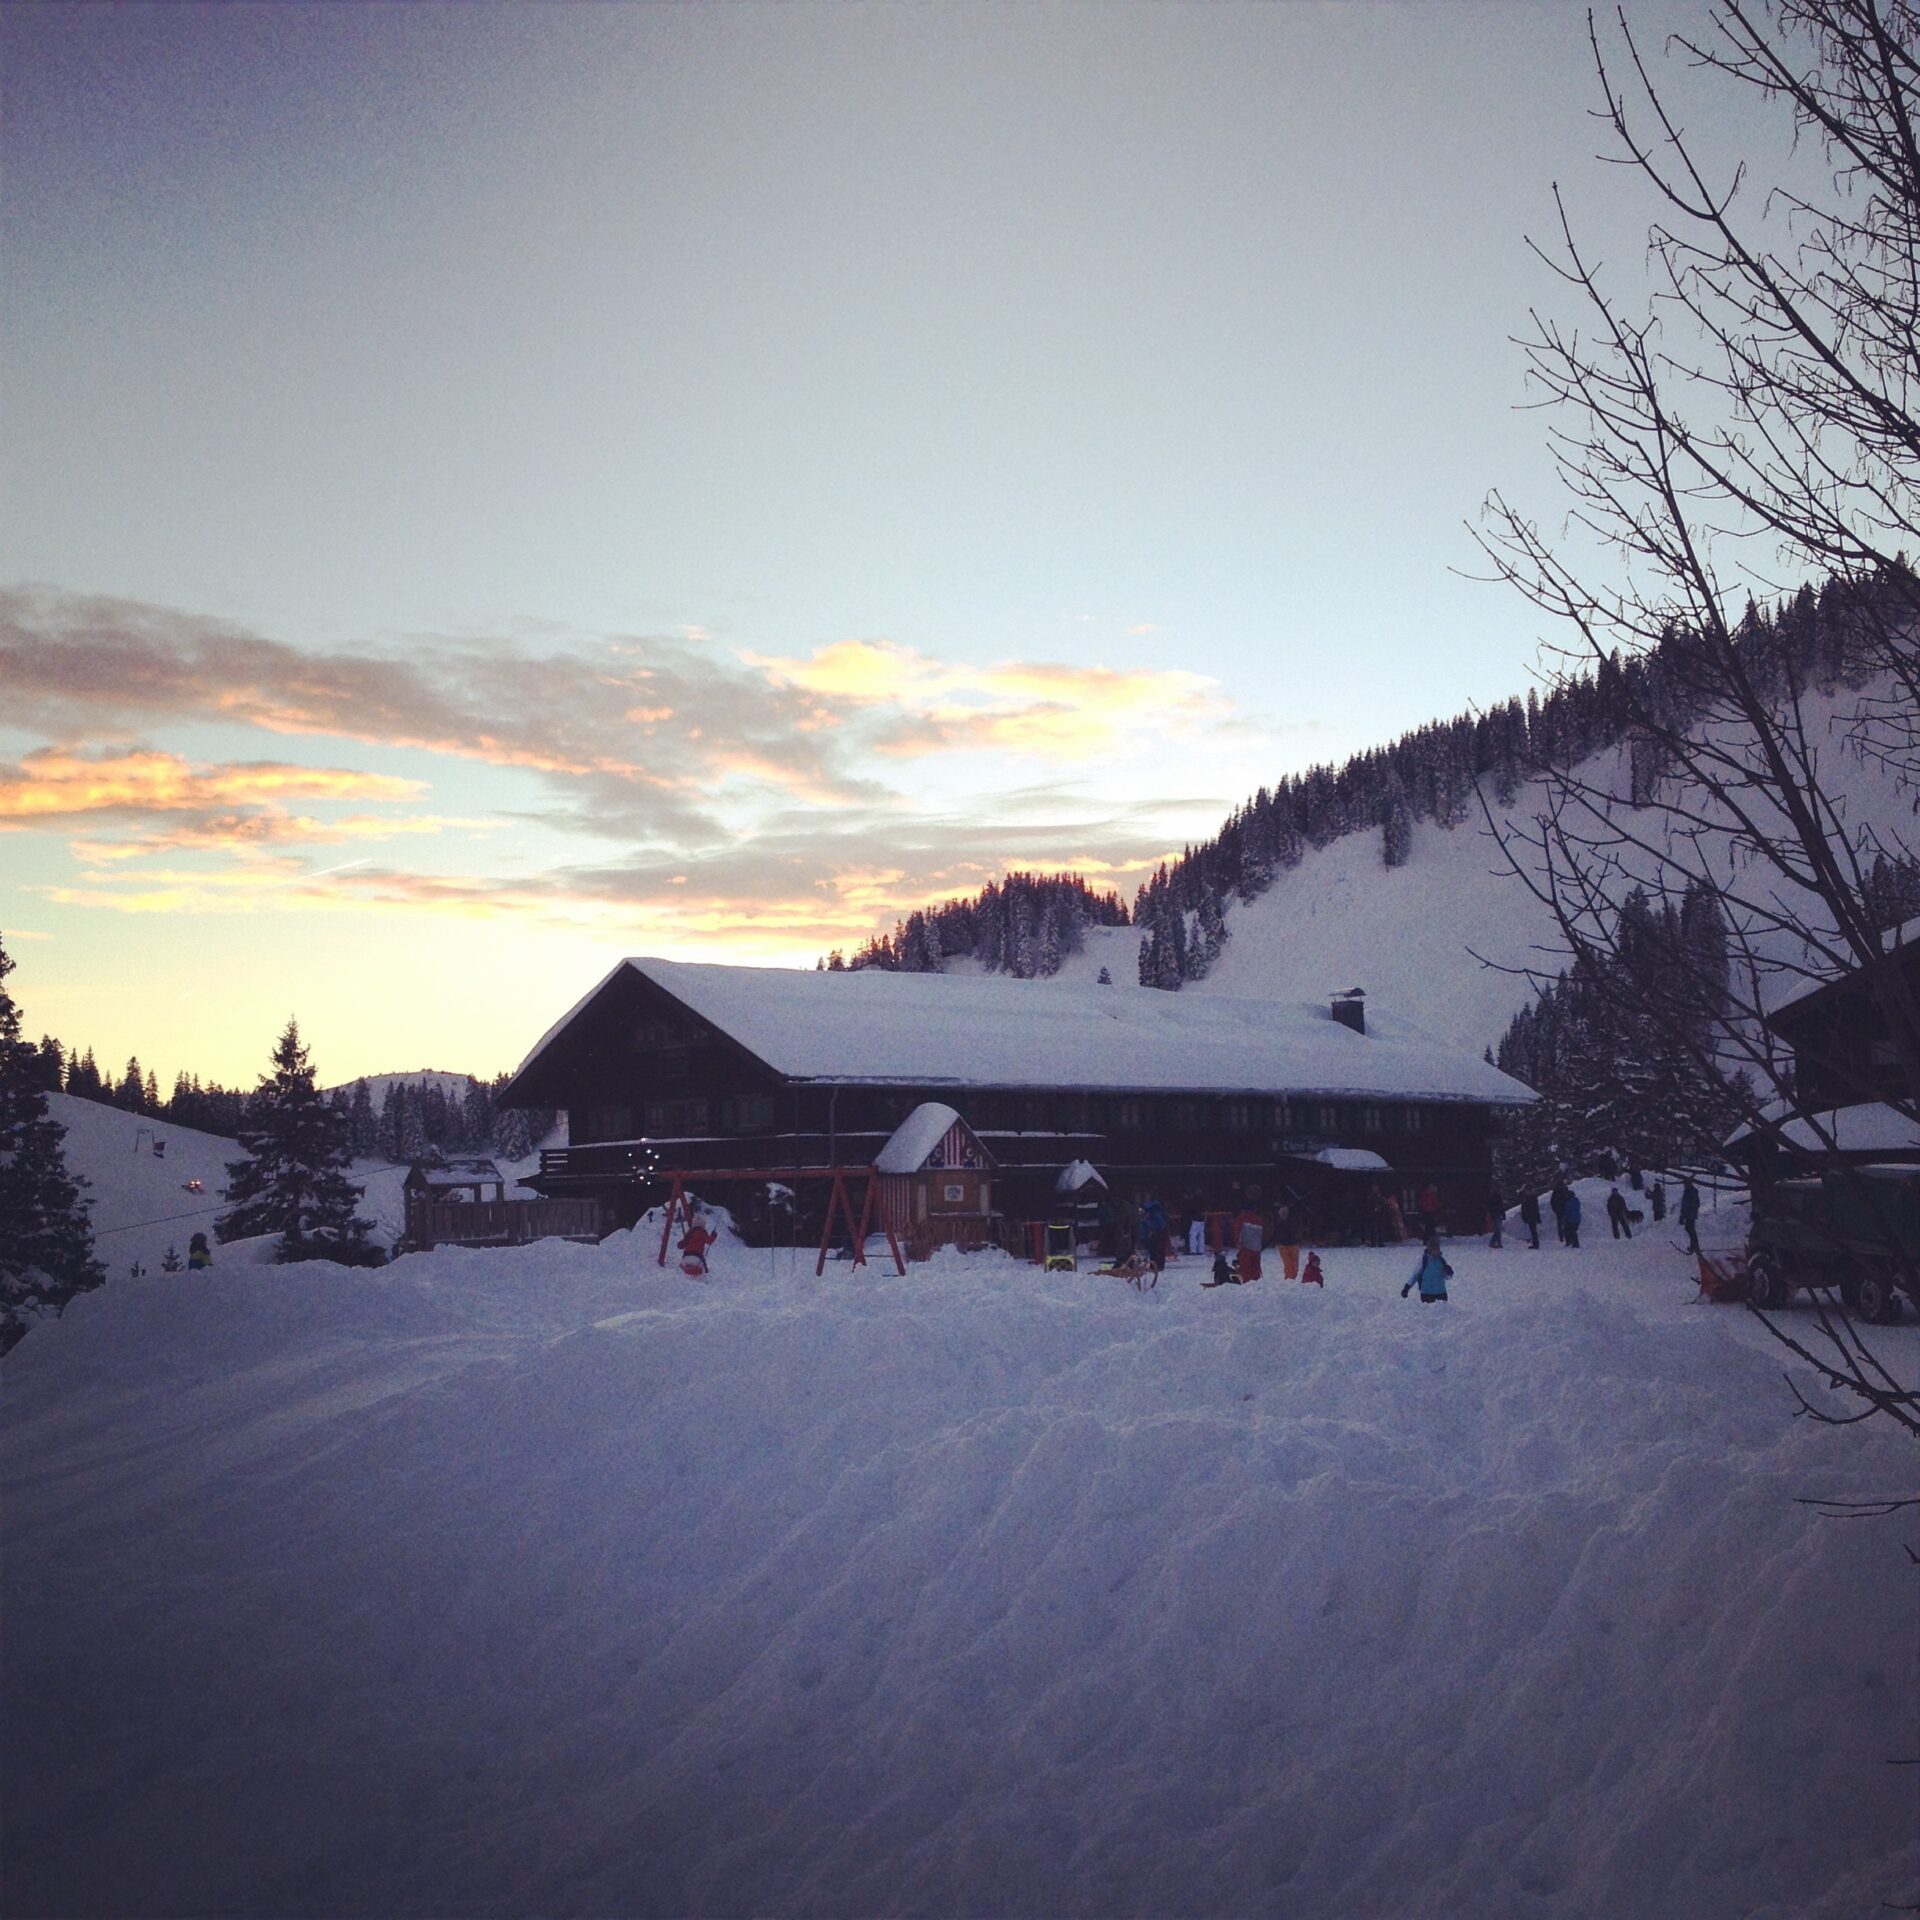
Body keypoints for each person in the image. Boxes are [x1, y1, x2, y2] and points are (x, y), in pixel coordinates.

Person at [1402, 1237, 1452, 1303]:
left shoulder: (1441, 1260)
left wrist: (1449, 1272)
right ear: (1430, 1249)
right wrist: (1407, 1287)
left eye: (1438, 1249)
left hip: (1441, 1292)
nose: (1437, 1251)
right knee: (1428, 1309)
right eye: (1434, 1249)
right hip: (1427, 1293)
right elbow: (1415, 1275)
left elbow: (1447, 1277)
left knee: (1443, 1309)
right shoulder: (1424, 1260)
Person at [1232, 1204, 1265, 1284]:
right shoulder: (1259, 1220)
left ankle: (1246, 1283)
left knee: (1245, 1269)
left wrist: (1237, 1243)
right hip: (1257, 1248)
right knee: (1255, 1268)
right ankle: (1256, 1283)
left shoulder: (1241, 1219)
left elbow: (1237, 1231)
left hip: (1246, 1247)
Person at [1140, 1199, 1171, 1279]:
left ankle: (1159, 1265)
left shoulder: (1155, 1213)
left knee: (1158, 1249)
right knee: (1152, 1249)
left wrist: (1154, 1230)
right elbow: (1144, 1227)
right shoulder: (1146, 1216)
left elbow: (1162, 1224)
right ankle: (1153, 1265)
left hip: (1159, 1233)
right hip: (1153, 1233)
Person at [1274, 1201, 1301, 1281]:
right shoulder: (1279, 1222)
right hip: (1283, 1245)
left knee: (1295, 1265)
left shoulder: (1293, 1219)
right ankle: (1289, 1279)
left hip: (1293, 1244)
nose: (1283, 1215)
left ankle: (1292, 1278)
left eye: (1284, 1213)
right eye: (1281, 1213)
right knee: (1288, 1264)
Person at [1678, 1177, 1702, 1256]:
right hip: (1691, 1213)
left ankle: (1695, 1246)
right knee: (1690, 1228)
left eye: (1684, 1184)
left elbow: (1686, 1204)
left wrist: (1683, 1215)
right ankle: (1694, 1245)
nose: (1684, 1185)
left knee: (1690, 1229)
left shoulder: (1689, 1192)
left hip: (1689, 1213)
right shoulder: (1692, 1191)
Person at [1549, 1180, 1573, 1246]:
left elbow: (1552, 1202)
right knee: (1567, 1225)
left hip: (1559, 1210)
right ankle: (1568, 1238)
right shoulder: (1566, 1191)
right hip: (1565, 1210)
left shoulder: (1555, 1192)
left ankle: (1562, 1237)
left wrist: (1555, 1209)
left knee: (1560, 1224)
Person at [1487, 1185, 1505, 1249]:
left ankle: (1497, 1242)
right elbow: (1499, 1206)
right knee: (1498, 1229)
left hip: (1497, 1214)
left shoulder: (1495, 1196)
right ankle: (1495, 1242)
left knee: (1498, 1229)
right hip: (1496, 1214)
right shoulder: (1494, 1196)